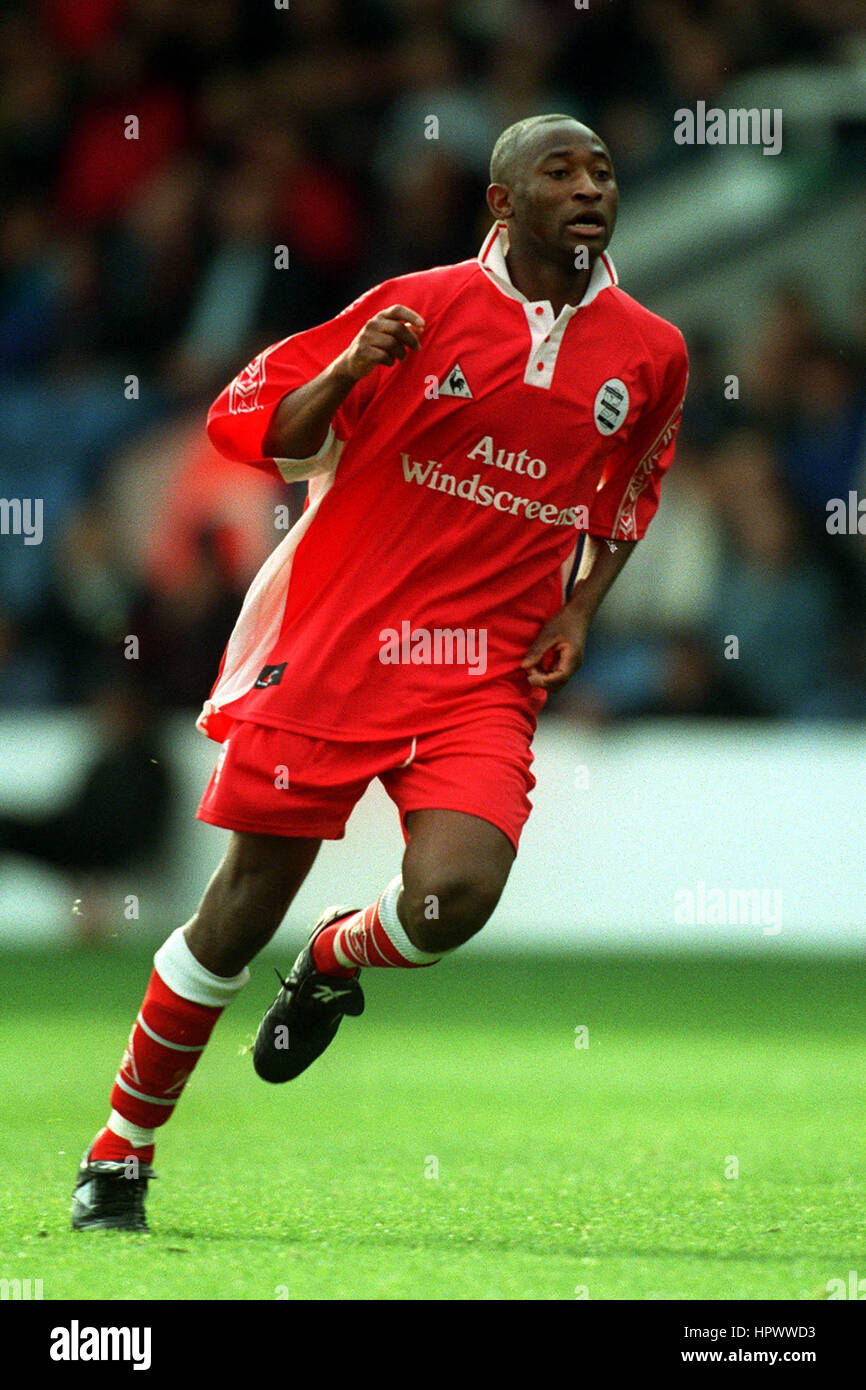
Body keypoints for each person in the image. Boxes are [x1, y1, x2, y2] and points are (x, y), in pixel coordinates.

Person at [72, 114, 688, 1232]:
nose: (589, 187)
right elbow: (250, 426)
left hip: (482, 669)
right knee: (234, 910)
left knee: (454, 897)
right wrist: (352, 365)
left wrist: (582, 607)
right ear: (502, 201)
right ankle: (123, 1145)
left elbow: (630, 493)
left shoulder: (650, 351)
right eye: (559, 171)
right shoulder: (421, 305)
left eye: (601, 169)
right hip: (338, 650)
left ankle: (332, 956)